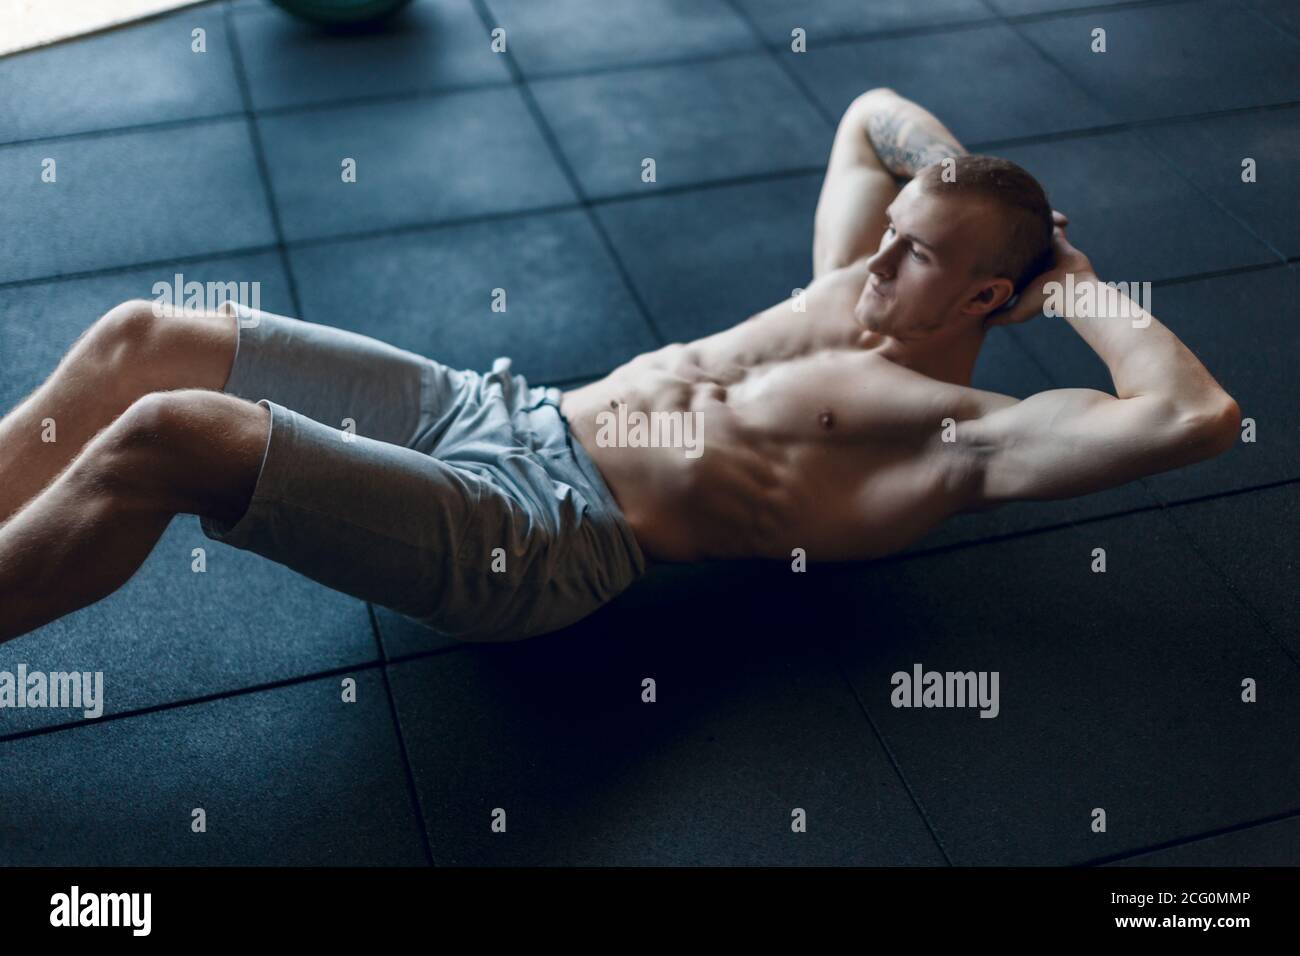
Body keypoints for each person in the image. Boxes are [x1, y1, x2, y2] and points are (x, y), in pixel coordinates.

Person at [0, 89, 1239, 642]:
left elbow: (1190, 414)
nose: (873, 259)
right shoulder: (849, 277)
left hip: (541, 528)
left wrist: (1065, 275)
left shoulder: (950, 430)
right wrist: (970, 200)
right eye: (892, 228)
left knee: (172, 433)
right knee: (139, 336)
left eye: (912, 255)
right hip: (492, 406)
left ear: (979, 297)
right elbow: (871, 111)